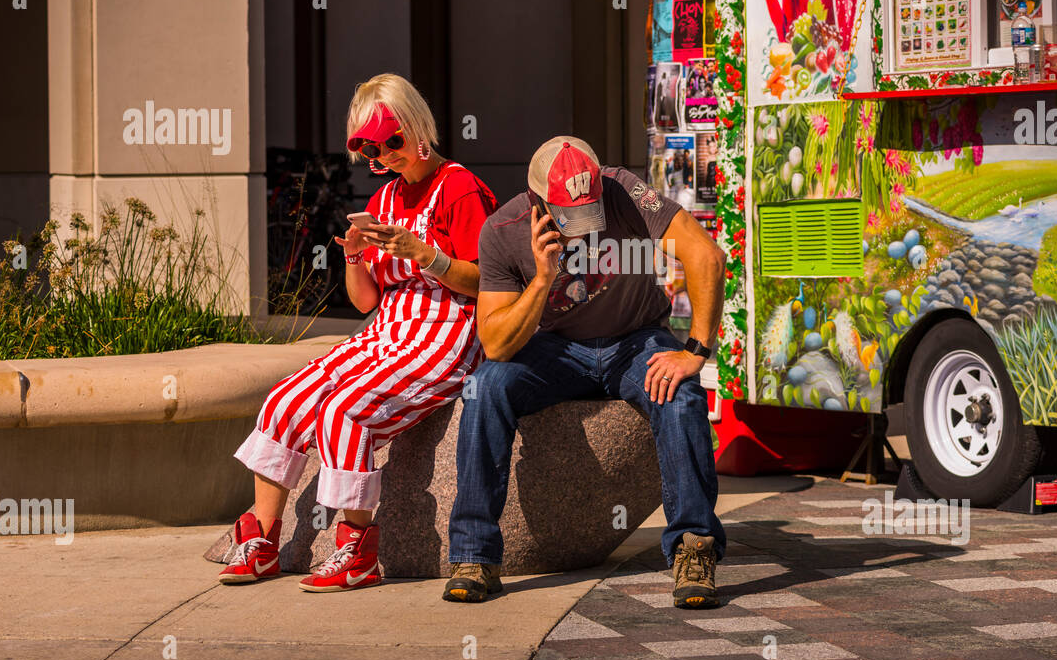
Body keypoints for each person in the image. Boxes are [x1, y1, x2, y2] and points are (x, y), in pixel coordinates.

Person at [219, 74, 496, 592]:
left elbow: (488, 281)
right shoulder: (386, 199)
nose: (385, 157)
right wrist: (352, 252)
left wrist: (424, 255)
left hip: (445, 332)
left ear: (418, 129)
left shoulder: (459, 187)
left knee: (344, 410)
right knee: (284, 400)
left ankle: (356, 551)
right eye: (372, 149)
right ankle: (262, 538)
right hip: (387, 328)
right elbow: (366, 299)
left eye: (392, 142)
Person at [443, 137, 729, 608]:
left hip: (635, 339)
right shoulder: (503, 229)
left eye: (589, 209)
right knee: (484, 388)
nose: (583, 225)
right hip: (556, 349)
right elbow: (495, 342)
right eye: (569, 215)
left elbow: (706, 255)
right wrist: (541, 278)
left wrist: (696, 350)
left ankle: (693, 548)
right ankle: (474, 555)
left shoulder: (625, 191)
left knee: (680, 395)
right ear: (538, 200)